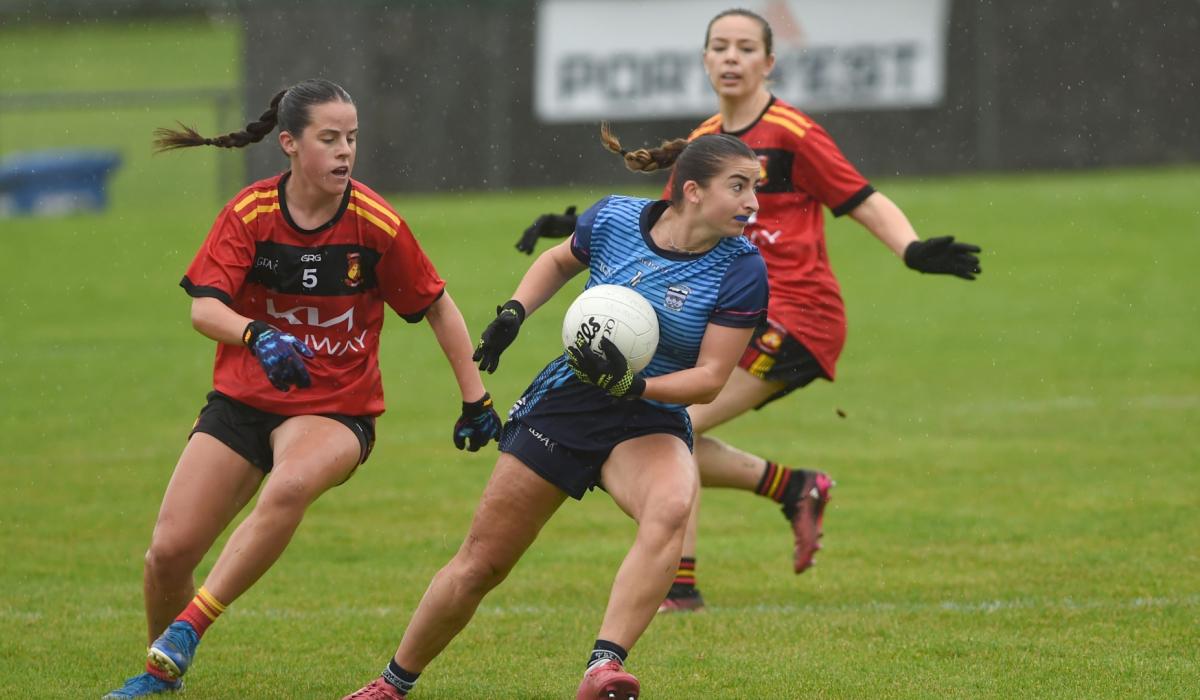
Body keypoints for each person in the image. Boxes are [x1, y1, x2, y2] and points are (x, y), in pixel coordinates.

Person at [516, 8, 983, 613]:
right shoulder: (712, 140)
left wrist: (911, 248)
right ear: (705, 59)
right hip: (731, 315)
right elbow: (660, 222)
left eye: (745, 48)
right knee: (665, 425)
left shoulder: (793, 132)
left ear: (769, 61)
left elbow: (860, 198)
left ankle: (680, 583)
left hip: (799, 318)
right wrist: (575, 226)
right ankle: (792, 489)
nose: (731, 57)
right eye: (720, 47)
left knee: (674, 423)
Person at [102, 79, 502, 699]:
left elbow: (436, 306)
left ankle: (184, 636)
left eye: (353, 139)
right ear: (288, 143)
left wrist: (475, 399)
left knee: (289, 484)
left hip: (335, 411)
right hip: (242, 403)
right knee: (167, 555)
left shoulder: (374, 222)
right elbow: (204, 310)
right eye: (329, 139)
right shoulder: (251, 214)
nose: (345, 152)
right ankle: (165, 678)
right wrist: (258, 336)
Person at [342, 127, 769, 700]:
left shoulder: (741, 267)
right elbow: (558, 260)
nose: (752, 203)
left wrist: (635, 384)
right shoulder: (616, 218)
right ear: (692, 190)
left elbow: (711, 379)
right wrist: (514, 313)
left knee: (670, 507)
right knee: (481, 565)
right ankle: (392, 685)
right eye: (738, 187)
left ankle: (603, 668)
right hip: (568, 404)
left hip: (650, 411)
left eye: (755, 189)